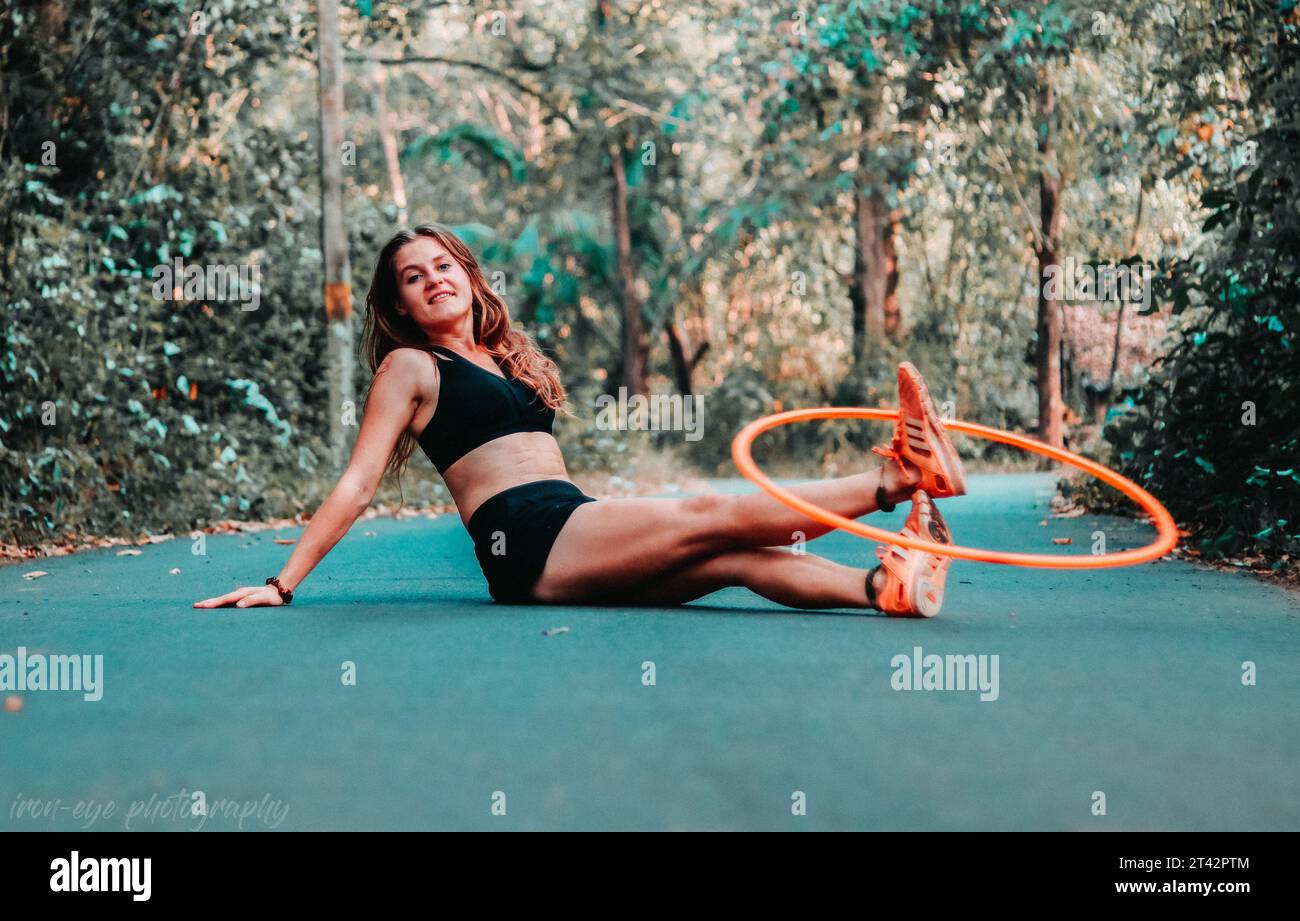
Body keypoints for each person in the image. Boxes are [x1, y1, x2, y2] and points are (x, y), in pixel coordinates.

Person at [194, 224, 967, 617]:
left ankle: (884, 587)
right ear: (398, 303)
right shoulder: (411, 368)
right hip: (525, 539)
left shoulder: (508, 353)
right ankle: (896, 477)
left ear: (468, 273)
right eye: (411, 277)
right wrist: (281, 583)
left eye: (442, 265)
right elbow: (360, 482)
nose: (432, 280)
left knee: (733, 557)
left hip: (570, 520)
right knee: (708, 508)